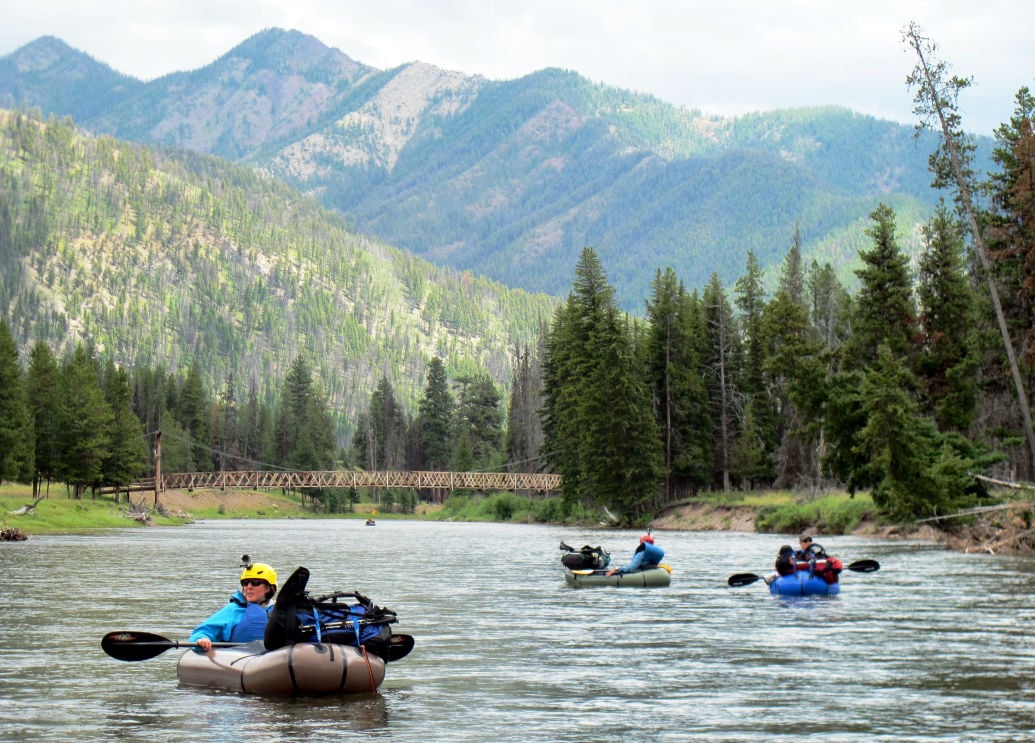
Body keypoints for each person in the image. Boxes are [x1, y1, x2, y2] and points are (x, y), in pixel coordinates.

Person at [189, 560, 278, 652]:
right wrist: (202, 639)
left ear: (268, 588)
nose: (249, 587)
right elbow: (203, 632)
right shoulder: (233, 610)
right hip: (241, 660)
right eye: (245, 583)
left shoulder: (281, 611)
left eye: (255, 583)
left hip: (276, 660)